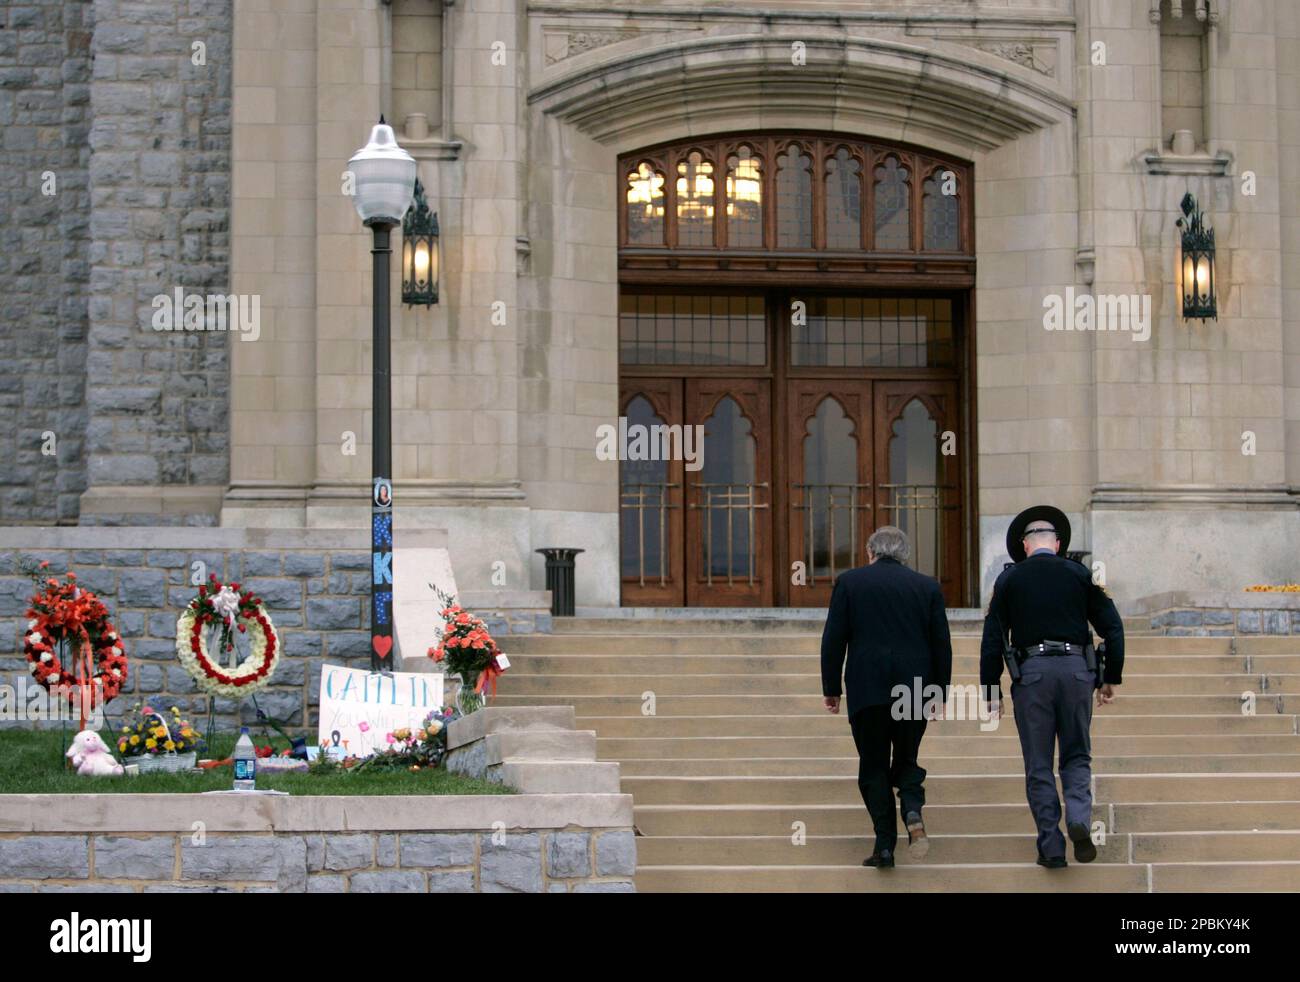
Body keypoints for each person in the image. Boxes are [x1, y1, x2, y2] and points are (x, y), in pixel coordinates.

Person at [979, 505, 1125, 868]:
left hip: (1033, 676)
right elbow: (1114, 628)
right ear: (1057, 544)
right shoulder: (1080, 575)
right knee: (1077, 754)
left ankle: (1052, 846)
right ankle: (1078, 817)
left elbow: (993, 639)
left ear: (1026, 546)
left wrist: (990, 690)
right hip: (1077, 672)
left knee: (1039, 763)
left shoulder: (1009, 581)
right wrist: (1110, 678)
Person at [821, 526, 952, 868]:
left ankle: (884, 846)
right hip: (913, 688)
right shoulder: (927, 587)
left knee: (873, 766)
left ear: (870, 552)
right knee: (907, 760)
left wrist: (831, 688)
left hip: (869, 690)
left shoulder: (850, 582)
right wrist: (940, 690)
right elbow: (941, 644)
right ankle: (911, 810)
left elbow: (834, 639)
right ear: (905, 554)